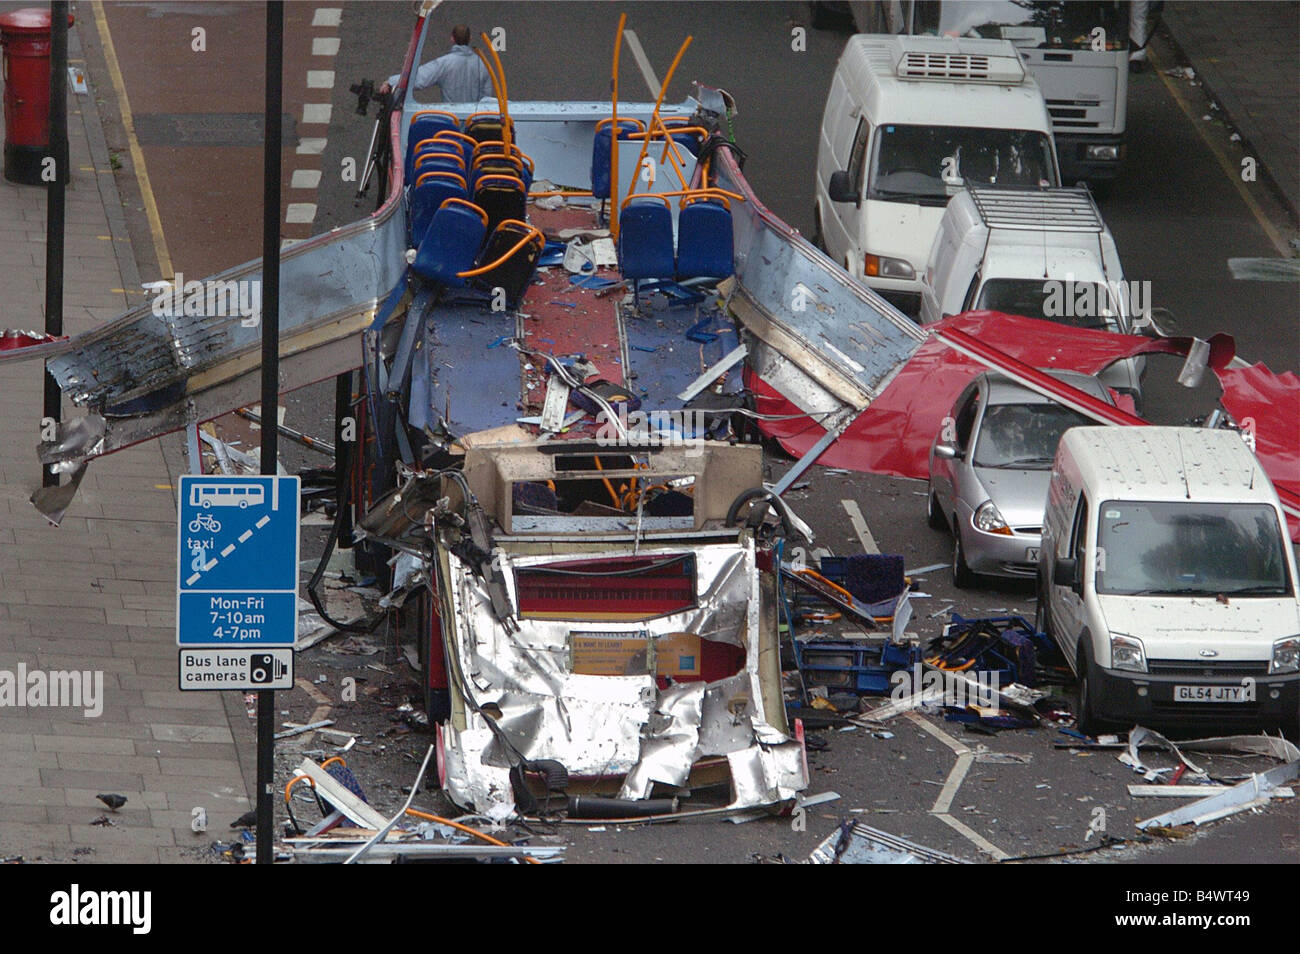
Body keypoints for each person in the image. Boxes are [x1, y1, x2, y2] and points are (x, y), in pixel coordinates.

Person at [379, 25, 493, 102]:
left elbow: (419, 78)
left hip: (451, 123)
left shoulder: (444, 63)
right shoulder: (483, 65)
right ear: (470, 38)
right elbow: (486, 96)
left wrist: (391, 82)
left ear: (452, 39)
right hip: (473, 127)